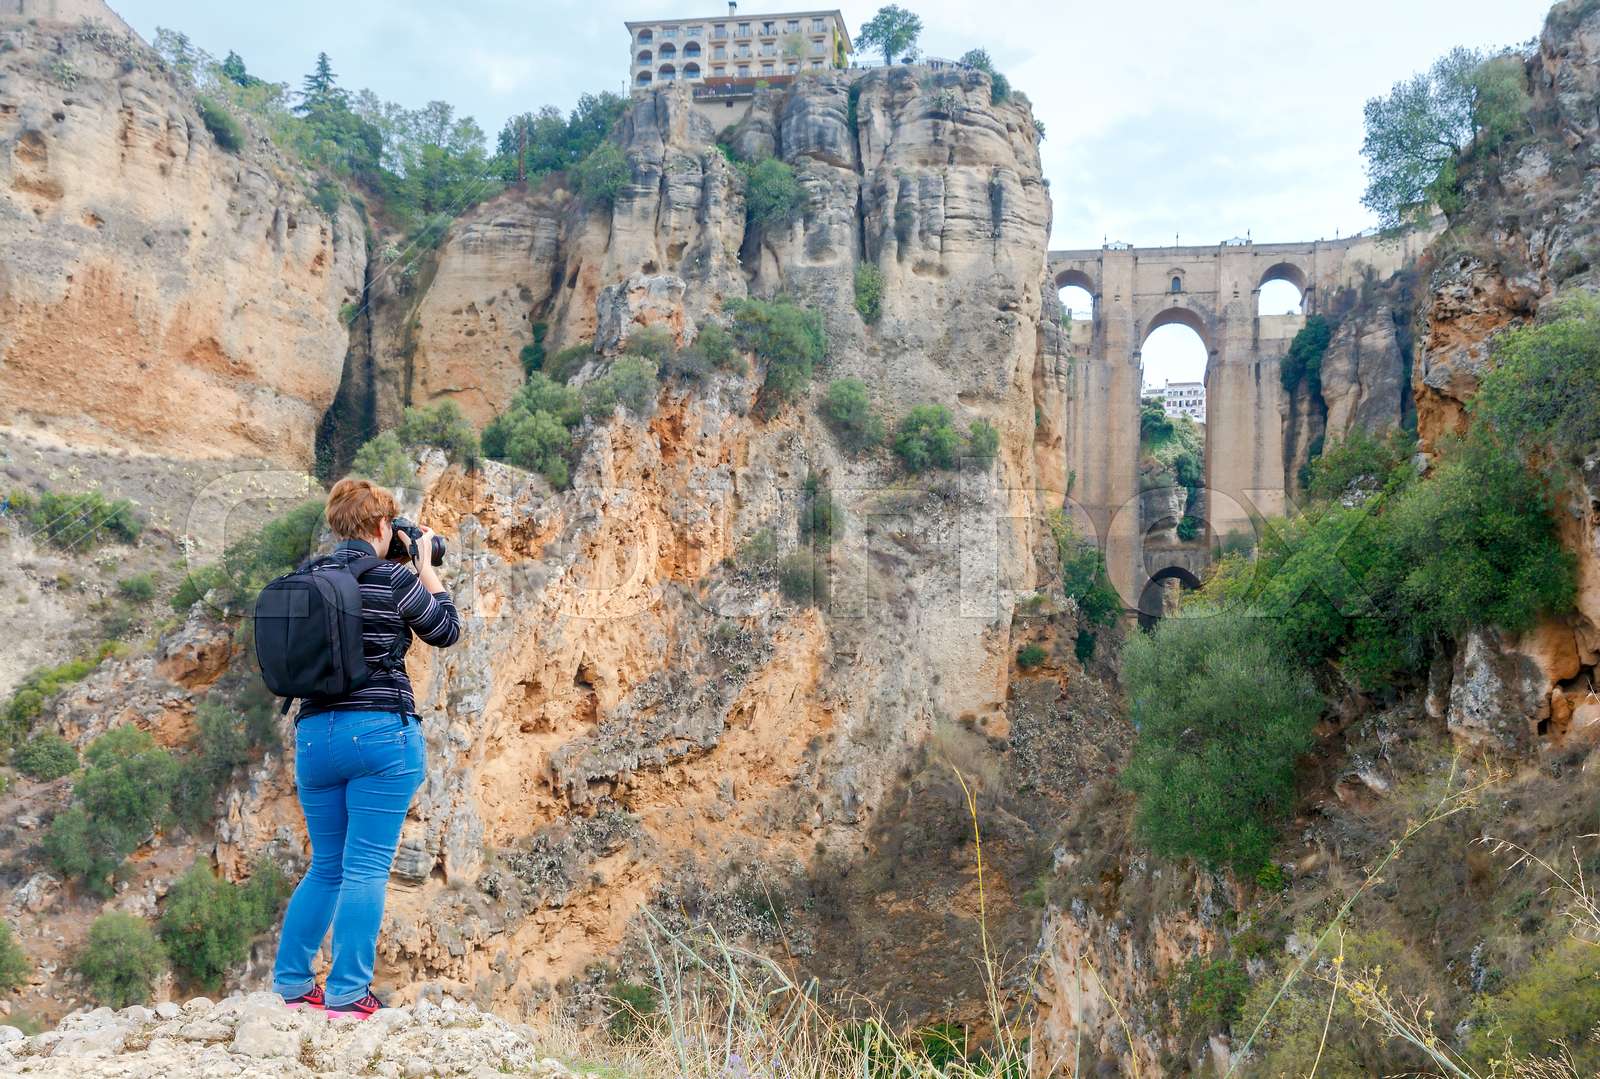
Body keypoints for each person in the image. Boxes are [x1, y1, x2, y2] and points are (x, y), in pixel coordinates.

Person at [271, 477, 460, 1019]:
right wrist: (426, 567)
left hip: (314, 738)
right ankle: (349, 993)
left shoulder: (305, 580)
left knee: (326, 865)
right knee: (366, 868)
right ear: (383, 528)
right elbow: (445, 630)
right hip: (379, 734)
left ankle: (291, 984)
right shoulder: (391, 580)